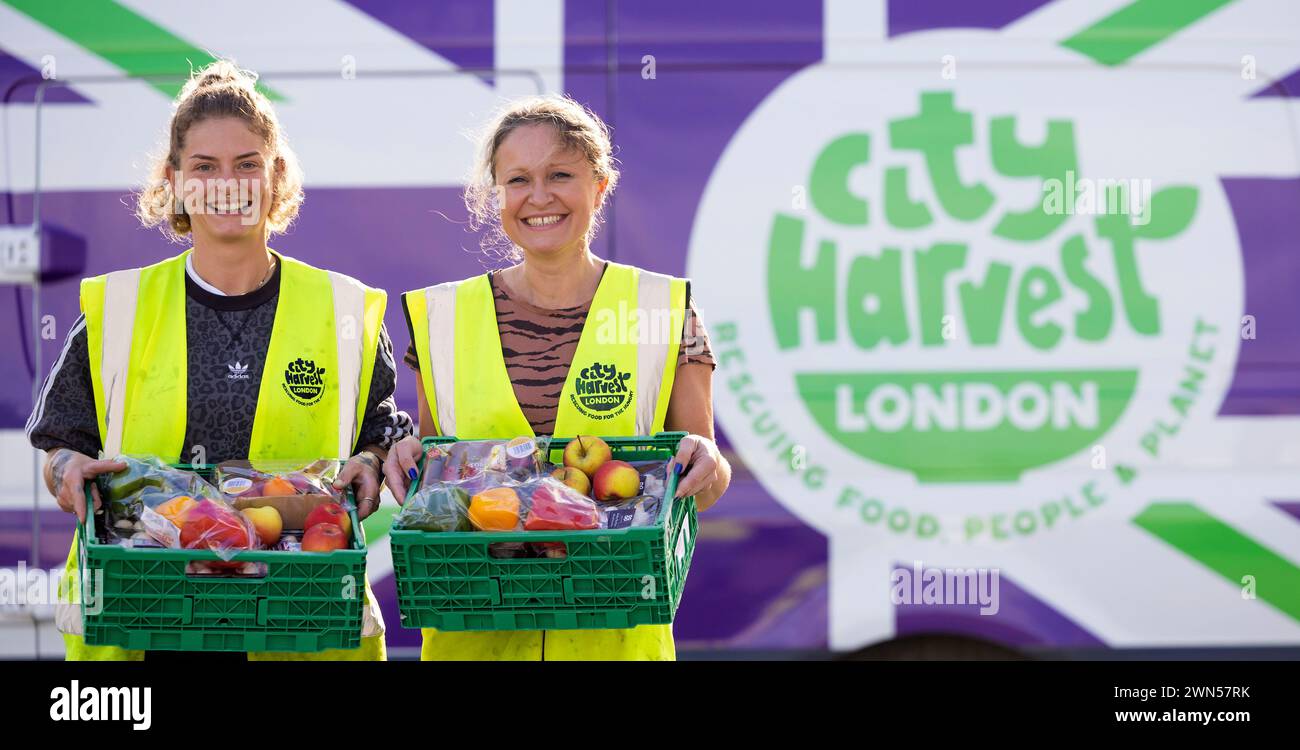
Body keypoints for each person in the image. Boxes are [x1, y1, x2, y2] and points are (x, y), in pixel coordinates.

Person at [26, 61, 412, 661]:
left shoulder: (342, 308)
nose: (227, 183)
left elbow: (380, 430)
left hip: (300, 618)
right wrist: (64, 471)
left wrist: (370, 459)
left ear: (275, 175)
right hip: (148, 618)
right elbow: (60, 442)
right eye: (205, 167)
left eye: (247, 164)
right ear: (175, 180)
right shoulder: (120, 309)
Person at [384, 95, 731, 660]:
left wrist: (710, 466)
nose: (539, 197)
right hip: (476, 637)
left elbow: (702, 484)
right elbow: (440, 478)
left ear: (600, 185)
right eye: (518, 179)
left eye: (561, 175)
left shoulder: (665, 313)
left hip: (613, 638)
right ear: (497, 195)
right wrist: (407, 459)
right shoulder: (442, 320)